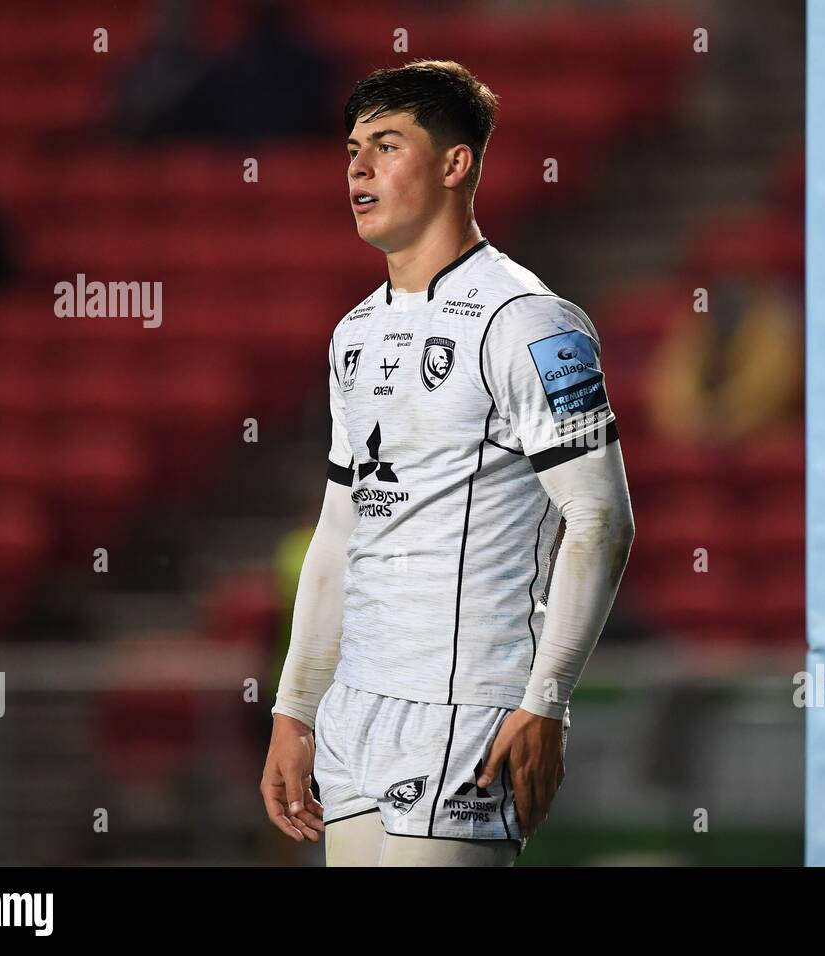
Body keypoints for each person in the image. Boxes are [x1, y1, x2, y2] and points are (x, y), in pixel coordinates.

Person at [260, 60, 635, 867]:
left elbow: (601, 517)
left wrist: (548, 700)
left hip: (468, 707)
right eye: (352, 148)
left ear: (456, 163)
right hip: (355, 708)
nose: (357, 167)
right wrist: (296, 706)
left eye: (386, 145)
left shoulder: (530, 321)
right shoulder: (352, 333)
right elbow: (336, 536)